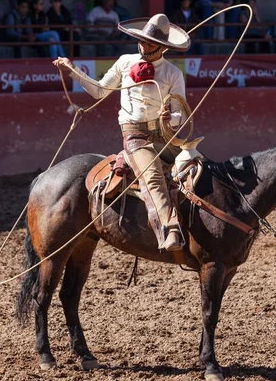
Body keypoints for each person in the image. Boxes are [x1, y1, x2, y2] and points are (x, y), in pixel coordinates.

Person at [53, 14, 191, 252]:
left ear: (162, 47)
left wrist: (172, 118)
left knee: (195, 166)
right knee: (153, 176)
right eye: (141, 40)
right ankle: (170, 229)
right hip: (135, 136)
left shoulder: (172, 73)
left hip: (165, 137)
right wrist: (72, 70)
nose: (143, 45)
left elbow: (181, 113)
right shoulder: (125, 62)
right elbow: (99, 91)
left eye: (149, 42)